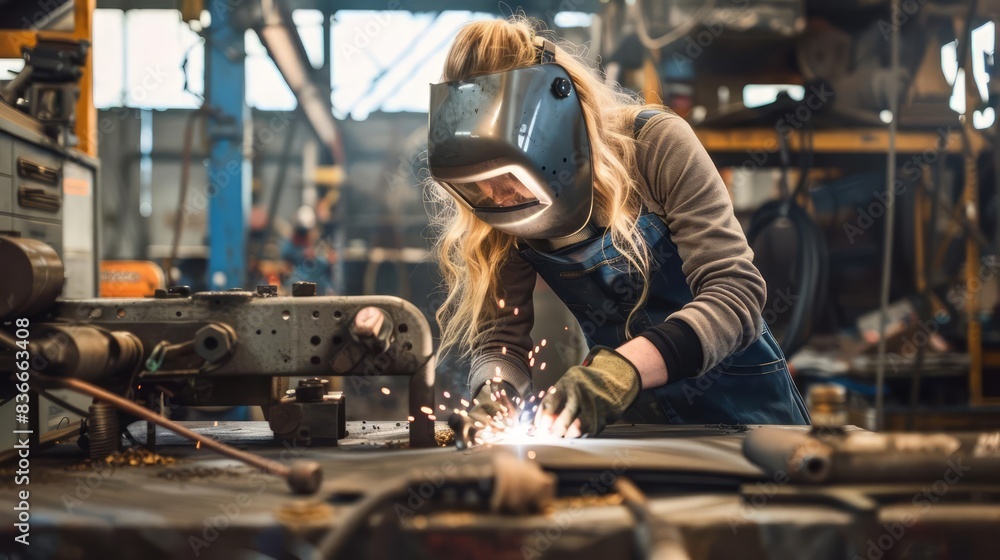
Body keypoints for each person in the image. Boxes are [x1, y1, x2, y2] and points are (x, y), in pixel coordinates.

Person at [427, 18, 810, 438]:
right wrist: (494, 393)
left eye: (505, 179)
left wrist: (619, 371)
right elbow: (500, 339)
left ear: (549, 136)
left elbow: (736, 293)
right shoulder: (502, 210)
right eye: (476, 188)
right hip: (639, 432)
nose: (497, 198)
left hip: (749, 423)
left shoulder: (656, 146)